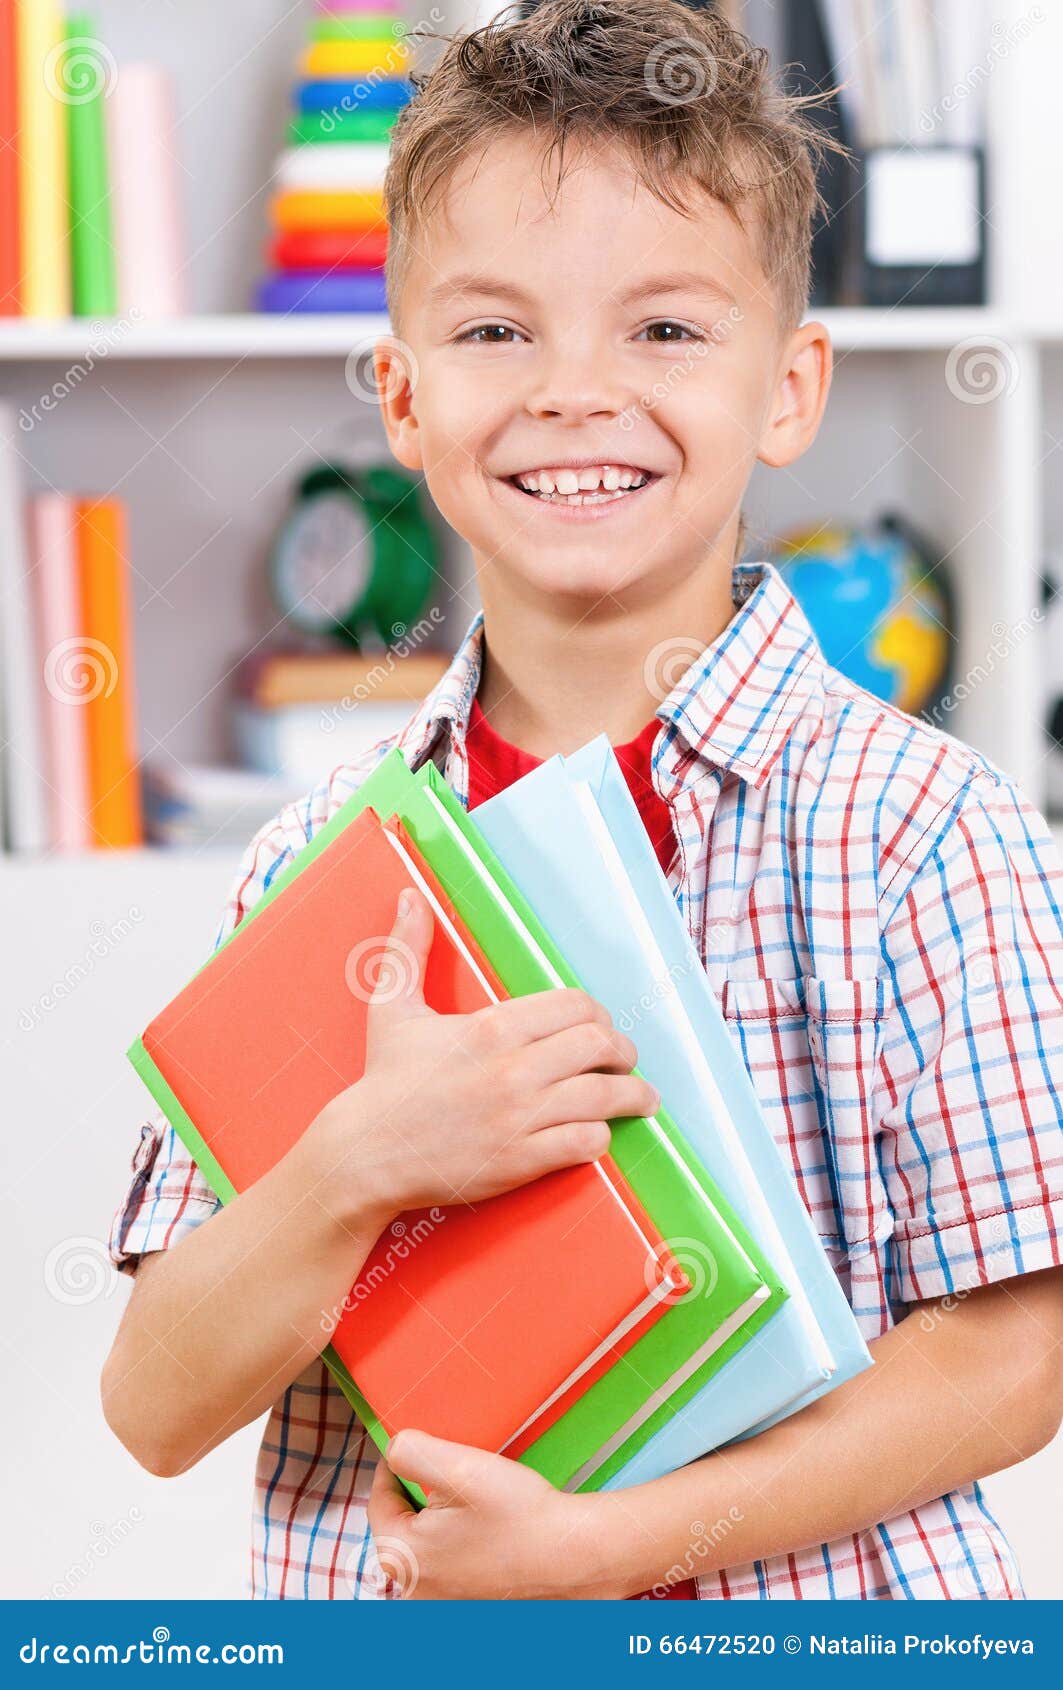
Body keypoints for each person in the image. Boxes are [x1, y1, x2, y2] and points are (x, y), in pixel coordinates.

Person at [102, 0, 1063, 1600]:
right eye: (495, 332)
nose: (573, 393)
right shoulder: (312, 865)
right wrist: (362, 1161)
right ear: (404, 401)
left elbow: (1021, 1353)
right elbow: (153, 1400)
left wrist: (608, 1547)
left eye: (666, 330)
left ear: (790, 386)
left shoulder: (922, 831)